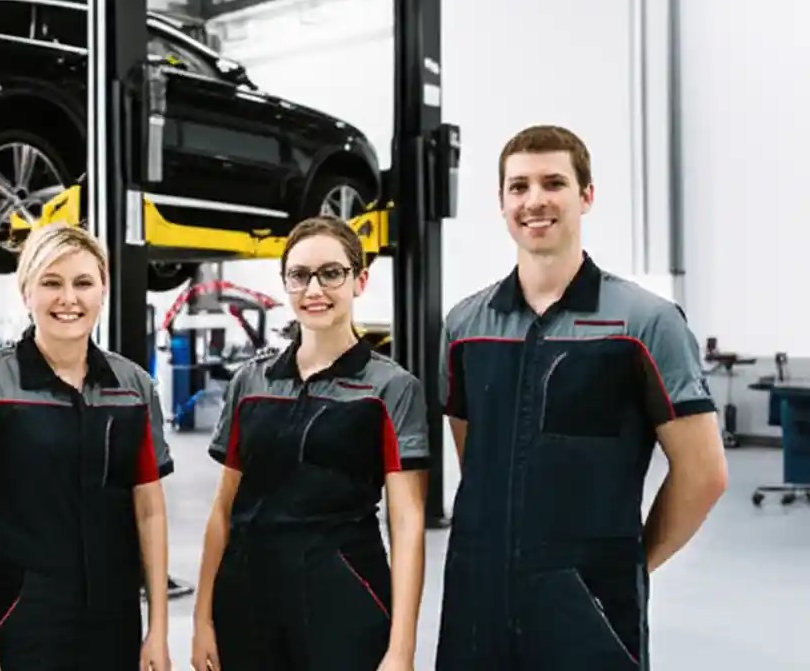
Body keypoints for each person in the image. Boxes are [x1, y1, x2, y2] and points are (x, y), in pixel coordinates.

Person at [434, 124, 729, 671]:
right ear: (501, 202)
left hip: (589, 606)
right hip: (477, 596)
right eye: (519, 186)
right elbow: (475, 455)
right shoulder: (466, 326)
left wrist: (628, 564)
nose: (534, 200)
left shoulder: (646, 324)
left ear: (586, 195)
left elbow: (704, 473)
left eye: (554, 183)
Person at [0, 222, 174, 671]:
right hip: (19, 618)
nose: (68, 299)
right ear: (27, 293)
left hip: (113, 620)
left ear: (103, 290)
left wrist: (158, 628)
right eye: (51, 283)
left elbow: (150, 510)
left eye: (83, 283)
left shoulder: (133, 387)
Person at [191, 215, 430, 671]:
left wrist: (401, 649)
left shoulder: (390, 388)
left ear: (359, 281)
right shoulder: (251, 382)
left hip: (342, 605)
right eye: (299, 275)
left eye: (331, 273)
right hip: (247, 604)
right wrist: (202, 619)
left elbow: (407, 522)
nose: (314, 289)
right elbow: (223, 510)